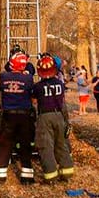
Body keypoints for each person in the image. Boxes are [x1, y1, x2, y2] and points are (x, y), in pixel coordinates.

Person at [0, 51, 35, 184]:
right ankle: (27, 177)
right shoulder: (28, 78)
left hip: (8, 115)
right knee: (25, 145)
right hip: (24, 116)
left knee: (5, 145)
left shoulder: (3, 76)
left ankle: (0, 176)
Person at [31, 55, 74, 183]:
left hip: (45, 117)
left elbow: (33, 101)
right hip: (59, 116)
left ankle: (51, 176)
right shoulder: (60, 84)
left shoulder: (37, 87)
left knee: (46, 146)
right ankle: (67, 172)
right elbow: (62, 101)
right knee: (61, 143)